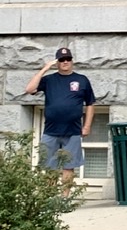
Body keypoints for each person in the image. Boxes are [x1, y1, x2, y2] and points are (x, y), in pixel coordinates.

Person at [24, 47, 96, 196]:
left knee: (69, 166)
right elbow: (30, 89)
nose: (65, 62)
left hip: (73, 130)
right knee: (49, 166)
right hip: (51, 130)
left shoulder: (82, 80)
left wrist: (87, 126)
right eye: (62, 59)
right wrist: (45, 69)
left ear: (72, 61)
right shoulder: (49, 80)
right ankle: (49, 197)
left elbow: (90, 103)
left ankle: (64, 199)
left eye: (68, 59)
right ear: (57, 62)